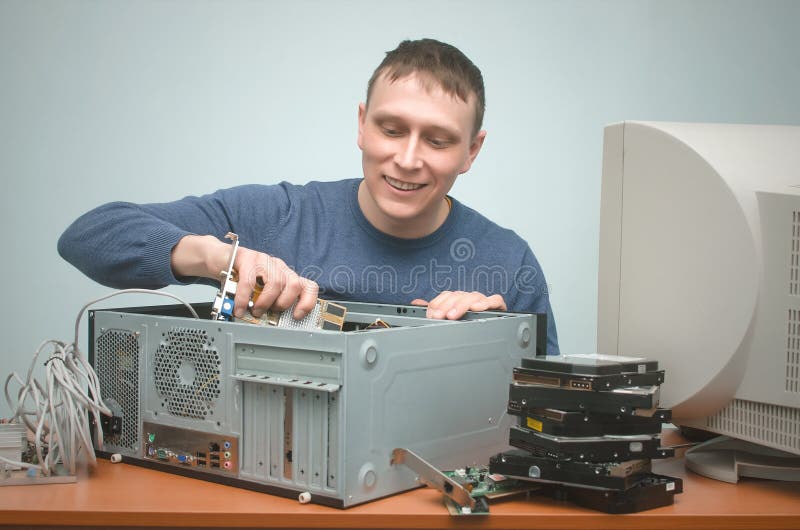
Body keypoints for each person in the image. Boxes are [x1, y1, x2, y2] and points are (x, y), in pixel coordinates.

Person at [58, 38, 560, 354]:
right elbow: (88, 234)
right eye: (391, 129)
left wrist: (495, 342)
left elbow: (550, 424)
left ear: (472, 151)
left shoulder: (508, 263)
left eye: (438, 140)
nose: (408, 159)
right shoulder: (277, 216)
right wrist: (220, 259)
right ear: (361, 125)